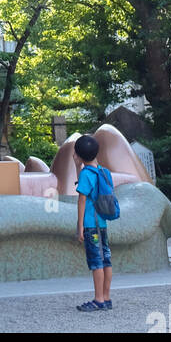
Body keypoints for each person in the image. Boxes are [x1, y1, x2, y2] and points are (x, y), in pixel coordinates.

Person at [74, 133, 114, 311]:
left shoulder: (85, 174)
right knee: (106, 260)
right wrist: (78, 165)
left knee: (96, 262)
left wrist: (80, 226)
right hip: (103, 224)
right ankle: (106, 297)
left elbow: (82, 199)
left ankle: (98, 300)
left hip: (91, 226)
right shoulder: (104, 172)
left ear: (79, 155)